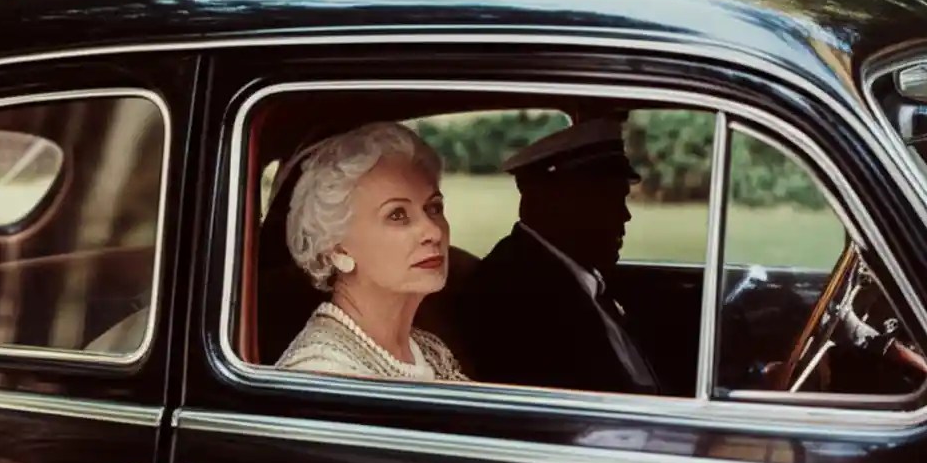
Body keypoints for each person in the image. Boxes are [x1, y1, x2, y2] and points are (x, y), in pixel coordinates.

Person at [458, 117, 661, 394]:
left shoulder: (574, 273)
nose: (625, 215)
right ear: (552, 204)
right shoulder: (515, 293)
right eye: (607, 200)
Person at [275, 121, 467, 381]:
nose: (433, 232)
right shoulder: (323, 373)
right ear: (336, 247)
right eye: (397, 215)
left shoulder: (428, 349)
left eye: (434, 208)